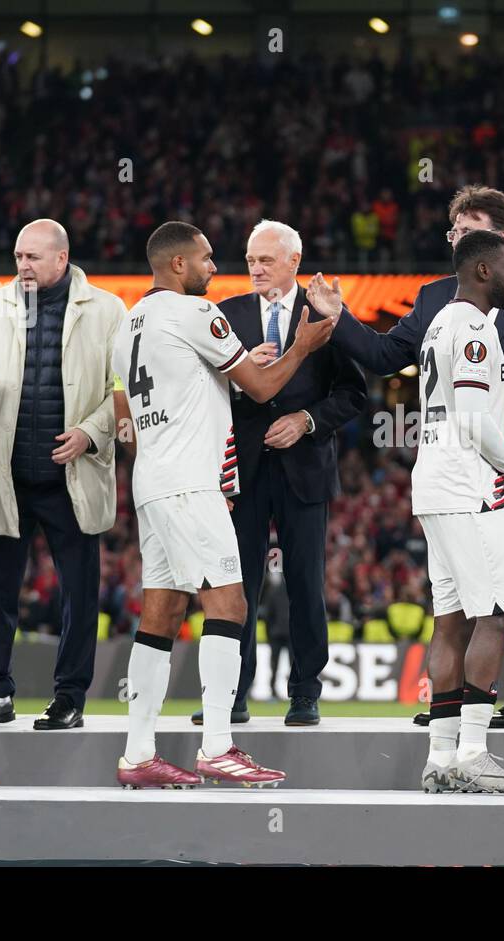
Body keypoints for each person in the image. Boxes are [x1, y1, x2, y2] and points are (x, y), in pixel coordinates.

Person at [331, 186, 504, 728]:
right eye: (454, 231)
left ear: (500, 243)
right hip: (480, 474)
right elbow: (384, 356)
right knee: (481, 604)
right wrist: (339, 319)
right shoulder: (438, 301)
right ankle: (460, 727)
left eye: (468, 232)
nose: (455, 240)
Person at [110, 221, 336, 789]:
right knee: (230, 602)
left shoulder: (129, 324)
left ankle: (138, 754)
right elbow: (261, 388)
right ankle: (218, 745)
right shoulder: (198, 315)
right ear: (179, 265)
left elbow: (156, 404)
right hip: (191, 483)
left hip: (151, 481)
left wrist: (230, 378)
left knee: (160, 613)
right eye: (208, 258)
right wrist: (304, 345)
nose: (217, 267)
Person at [0, 220, 124, 731]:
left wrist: (91, 432)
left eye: (32, 258)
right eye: (17, 256)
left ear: (62, 259)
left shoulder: (108, 309)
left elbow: (129, 389)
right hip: (7, 474)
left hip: (73, 475)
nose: (21, 266)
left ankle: (69, 697)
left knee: (79, 593)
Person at [189, 220, 365, 728]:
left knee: (305, 584)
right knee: (233, 583)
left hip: (304, 469)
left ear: (294, 261)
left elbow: (353, 395)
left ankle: (305, 692)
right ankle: (230, 693)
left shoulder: (324, 315)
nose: (256, 269)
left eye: (266, 260)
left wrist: (306, 420)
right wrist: (244, 380)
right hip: (239, 473)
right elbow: (203, 392)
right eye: (250, 260)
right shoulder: (226, 315)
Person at [417, 231, 504, 794]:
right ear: (484, 271)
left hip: (436, 485)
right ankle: (472, 751)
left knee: (453, 619)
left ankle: (440, 757)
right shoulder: (471, 327)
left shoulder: (440, 321)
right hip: (470, 487)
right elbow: (472, 417)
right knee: (502, 614)